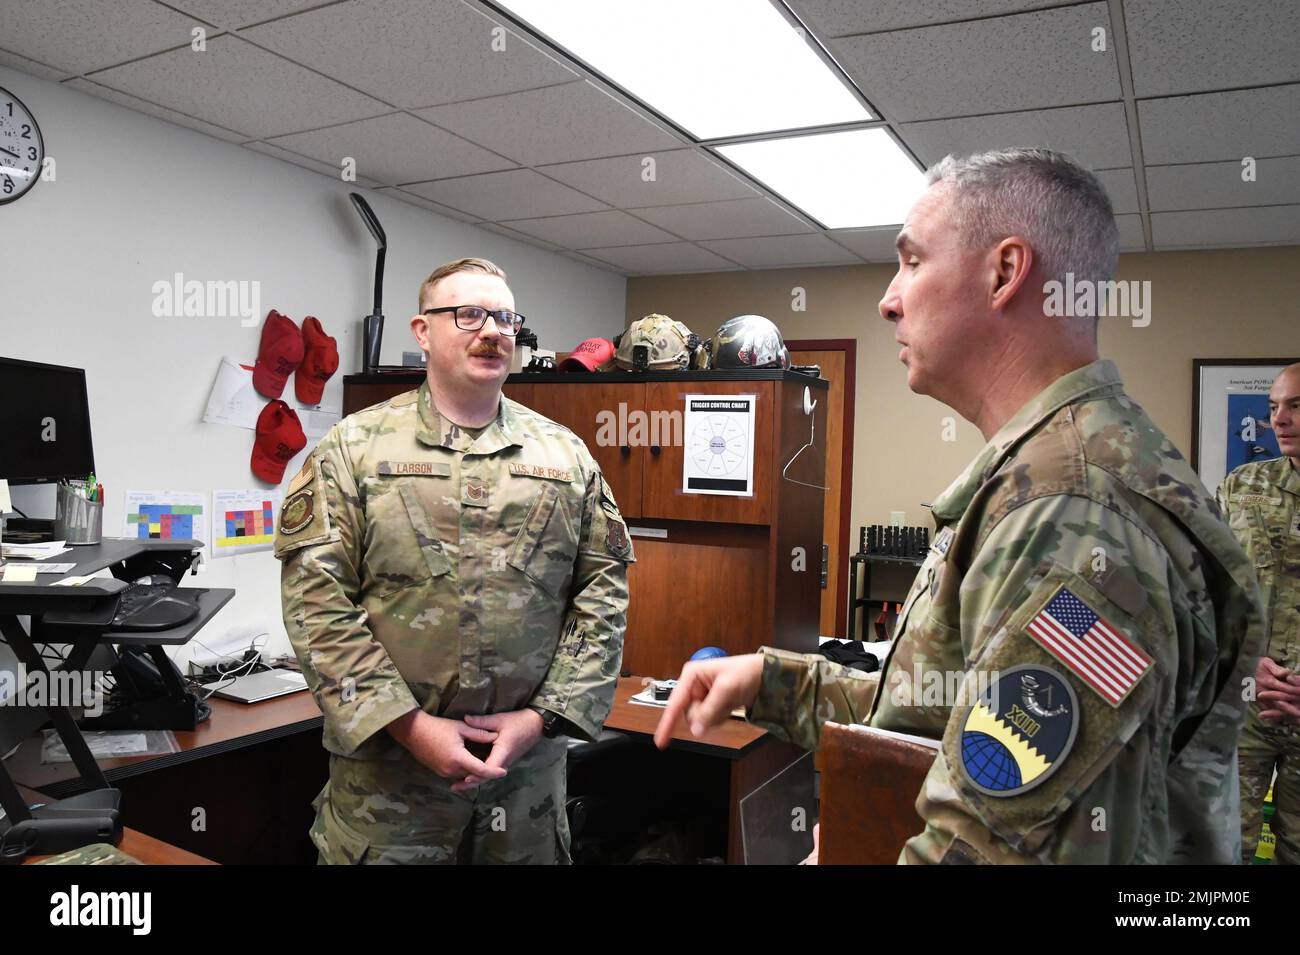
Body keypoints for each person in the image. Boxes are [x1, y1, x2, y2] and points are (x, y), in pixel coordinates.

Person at [655, 148, 1263, 864]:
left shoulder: (1073, 513)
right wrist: (771, 679)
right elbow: (944, 715)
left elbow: (1001, 845)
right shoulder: (1046, 478)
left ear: (1004, 272)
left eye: (911, 261)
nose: (889, 298)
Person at [275, 257, 633, 864]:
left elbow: (603, 592)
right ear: (422, 331)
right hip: (389, 788)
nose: (491, 331)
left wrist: (543, 718)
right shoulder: (354, 451)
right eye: (468, 314)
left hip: (524, 787)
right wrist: (411, 727)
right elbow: (316, 601)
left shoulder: (564, 454)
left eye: (504, 318)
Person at [1217, 362, 1300, 864]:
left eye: (1295, 406)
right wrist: (1244, 658)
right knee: (1226, 848)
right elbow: (1209, 589)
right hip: (1245, 703)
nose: (1279, 419)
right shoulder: (1240, 487)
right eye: (1273, 407)